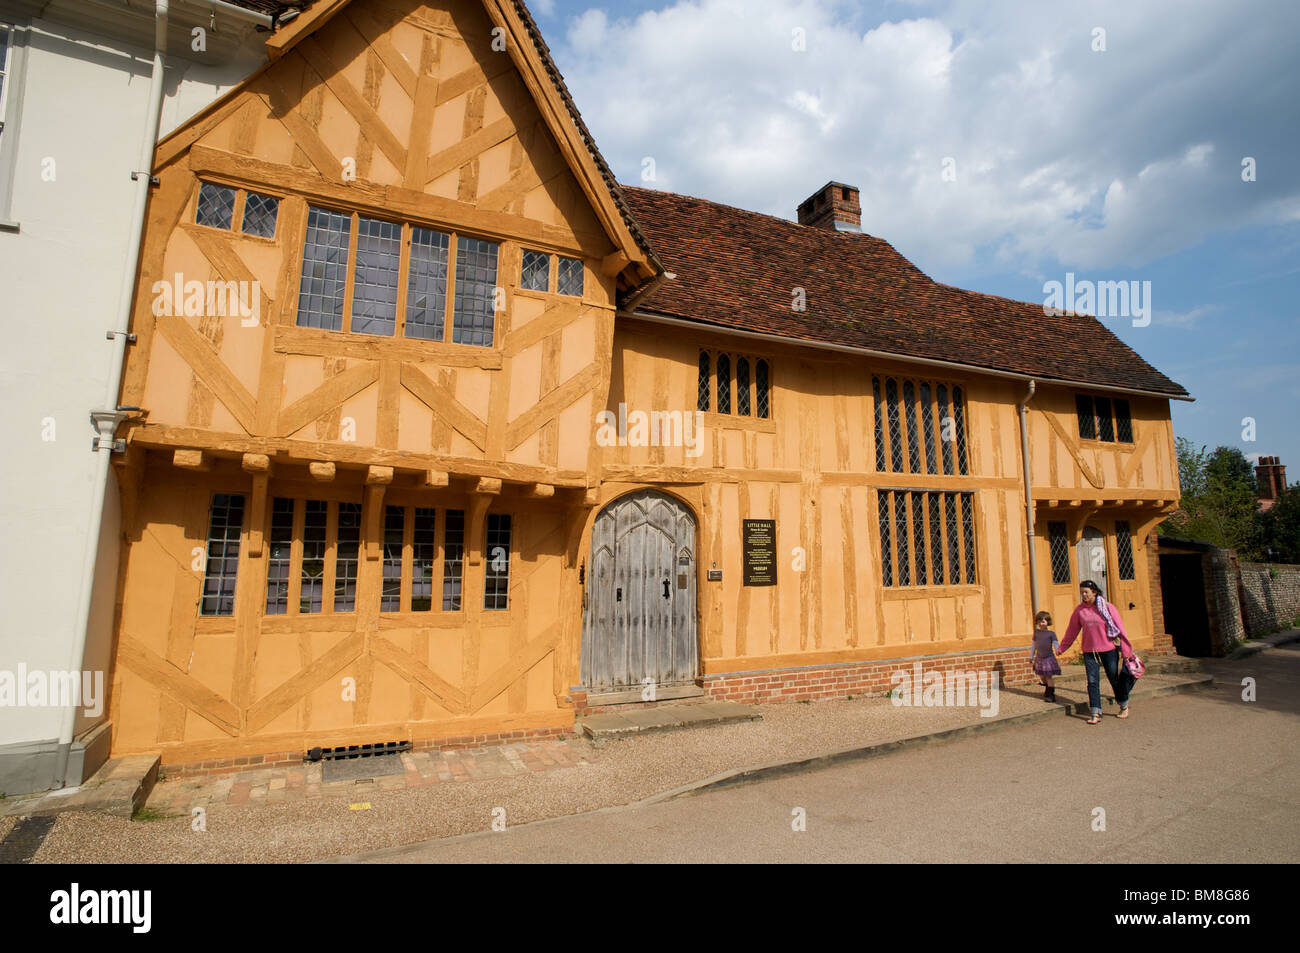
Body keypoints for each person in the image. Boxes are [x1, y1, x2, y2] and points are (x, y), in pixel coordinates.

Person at [1057, 580, 1134, 725]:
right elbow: (1071, 631)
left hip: (1108, 650)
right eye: (1081, 593)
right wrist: (1062, 648)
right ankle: (1095, 712)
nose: (1083, 595)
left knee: (1113, 679)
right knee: (1092, 682)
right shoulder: (1079, 610)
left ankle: (1123, 705)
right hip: (1089, 651)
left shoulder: (1107, 607)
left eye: (1086, 592)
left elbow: (1120, 629)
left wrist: (1126, 651)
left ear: (1094, 592)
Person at [1029, 610, 1061, 701]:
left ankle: (1051, 694)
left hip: (1048, 658)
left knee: (1048, 676)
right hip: (1039, 658)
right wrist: (1031, 656)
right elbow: (1034, 645)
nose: (1041, 624)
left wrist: (1058, 650)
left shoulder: (1051, 634)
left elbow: (1055, 643)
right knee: (1042, 676)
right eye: (1039, 621)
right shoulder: (1036, 633)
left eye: (1043, 621)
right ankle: (1047, 687)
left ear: (1047, 622)